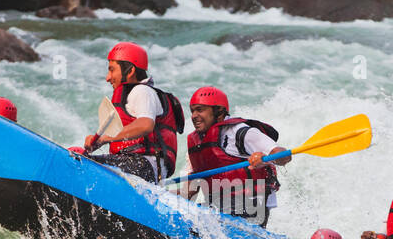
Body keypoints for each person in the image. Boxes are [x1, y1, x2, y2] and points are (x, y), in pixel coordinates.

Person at [182, 86, 289, 227]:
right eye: (192, 111)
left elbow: (283, 155)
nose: (194, 115)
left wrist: (264, 157)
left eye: (200, 109)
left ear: (219, 112)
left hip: (252, 204)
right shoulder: (198, 142)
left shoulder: (240, 132)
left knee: (201, 221)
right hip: (220, 205)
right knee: (186, 220)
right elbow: (194, 183)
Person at [82, 42, 183, 183]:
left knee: (78, 160)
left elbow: (145, 125)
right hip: (140, 167)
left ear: (130, 71)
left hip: (143, 166)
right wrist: (98, 142)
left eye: (112, 70)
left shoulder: (142, 91)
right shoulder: (136, 94)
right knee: (78, 154)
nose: (108, 77)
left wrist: (106, 138)